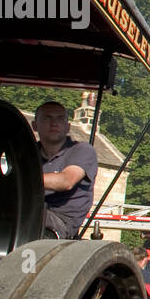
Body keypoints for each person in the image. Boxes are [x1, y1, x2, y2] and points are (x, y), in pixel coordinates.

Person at [34, 101, 97, 238]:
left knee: (24, 215)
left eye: (60, 118)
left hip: (59, 223)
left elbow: (67, 181)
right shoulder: (28, 153)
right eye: (47, 118)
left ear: (68, 127)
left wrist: (22, 178)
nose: (54, 123)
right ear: (35, 125)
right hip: (31, 210)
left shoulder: (82, 151)